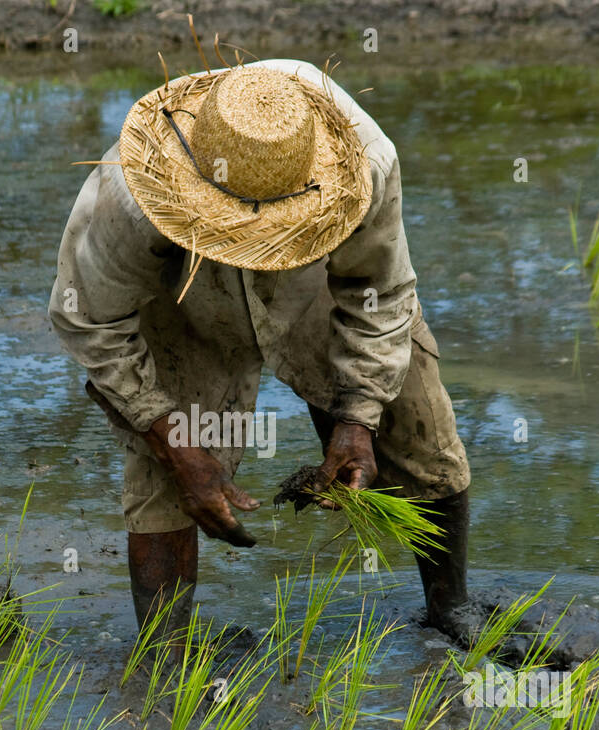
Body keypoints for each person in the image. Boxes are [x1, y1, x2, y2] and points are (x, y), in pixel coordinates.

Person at [48, 58, 476, 648]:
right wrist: (172, 441)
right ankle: (165, 654)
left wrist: (357, 419)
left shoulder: (362, 167)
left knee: (415, 414)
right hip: (185, 294)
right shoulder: (135, 195)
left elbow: (382, 296)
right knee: (170, 466)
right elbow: (87, 318)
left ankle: (452, 609)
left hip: (311, 277)